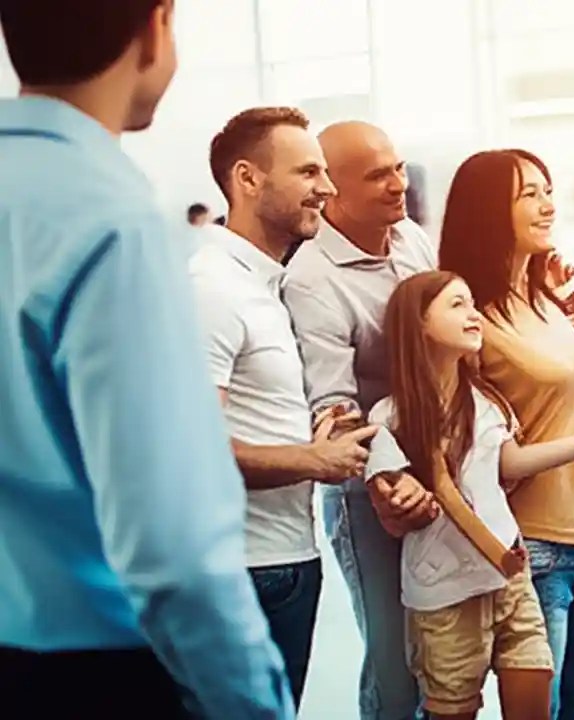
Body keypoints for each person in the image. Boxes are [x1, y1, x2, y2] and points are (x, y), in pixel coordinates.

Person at [0, 1, 293, 717]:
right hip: (86, 673)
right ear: (156, 26)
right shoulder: (110, 220)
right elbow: (172, 546)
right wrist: (252, 702)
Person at [365, 270, 574, 720]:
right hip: (445, 597)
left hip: (512, 584)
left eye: (472, 303)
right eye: (457, 305)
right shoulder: (388, 417)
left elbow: (513, 463)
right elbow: (399, 495)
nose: (474, 315)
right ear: (420, 324)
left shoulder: (484, 403)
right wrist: (403, 492)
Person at [189, 106, 388, 708]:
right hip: (241, 574)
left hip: (285, 561)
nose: (326, 188)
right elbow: (194, 451)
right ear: (247, 179)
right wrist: (314, 460)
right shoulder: (212, 288)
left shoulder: (265, 284)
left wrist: (319, 430)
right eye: (308, 172)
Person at [438, 149, 574, 720]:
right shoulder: (470, 317)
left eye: (548, 190)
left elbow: (548, 385)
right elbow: (474, 446)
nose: (548, 205)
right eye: (529, 194)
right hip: (531, 547)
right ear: (489, 211)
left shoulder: (540, 298)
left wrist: (561, 306)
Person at [284, 119, 439, 720]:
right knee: (397, 669)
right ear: (333, 191)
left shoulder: (411, 239)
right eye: (378, 176)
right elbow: (334, 406)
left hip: (440, 469)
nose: (398, 184)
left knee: (447, 654)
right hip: (371, 488)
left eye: (398, 167)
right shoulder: (311, 280)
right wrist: (388, 479)